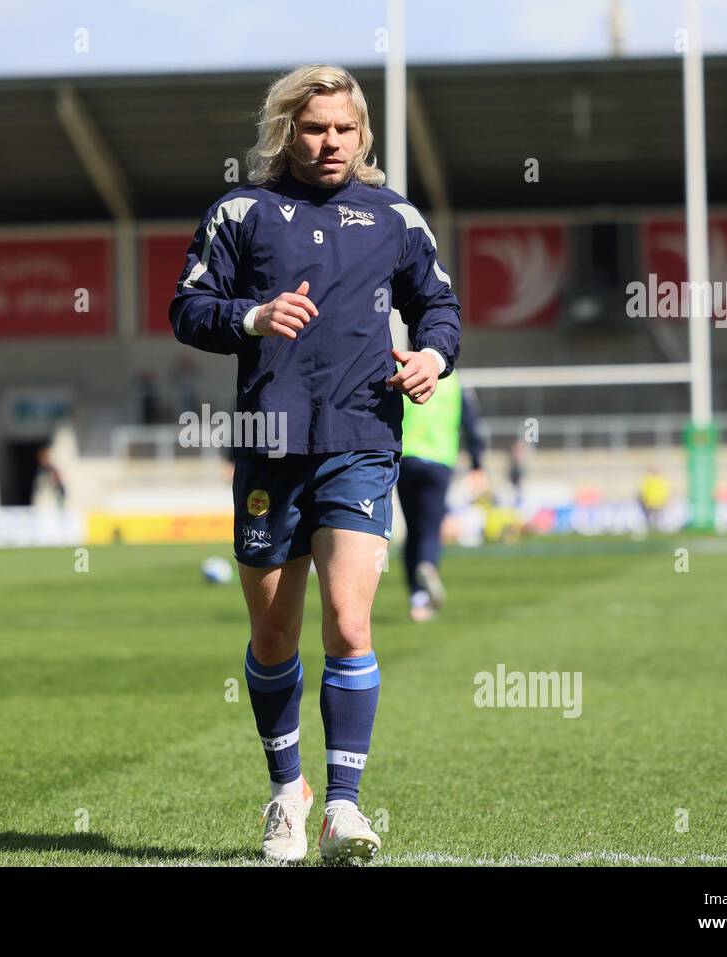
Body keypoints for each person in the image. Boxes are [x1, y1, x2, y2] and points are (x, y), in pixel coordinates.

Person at [169, 64, 461, 863]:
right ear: (286, 131)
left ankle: (342, 806)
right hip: (270, 442)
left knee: (349, 620)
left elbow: (439, 306)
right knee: (272, 634)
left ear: (362, 133)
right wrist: (253, 315)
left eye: (343, 128)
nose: (329, 141)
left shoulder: (396, 216)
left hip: (362, 439)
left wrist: (434, 354)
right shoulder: (242, 212)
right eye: (313, 127)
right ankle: (285, 793)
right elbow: (188, 309)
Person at [397, 375, 484, 622]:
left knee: (413, 529)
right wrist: (477, 463)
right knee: (430, 530)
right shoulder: (454, 381)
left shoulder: (404, 371)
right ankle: (427, 566)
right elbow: (471, 423)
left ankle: (416, 598)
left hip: (407, 457)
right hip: (439, 460)